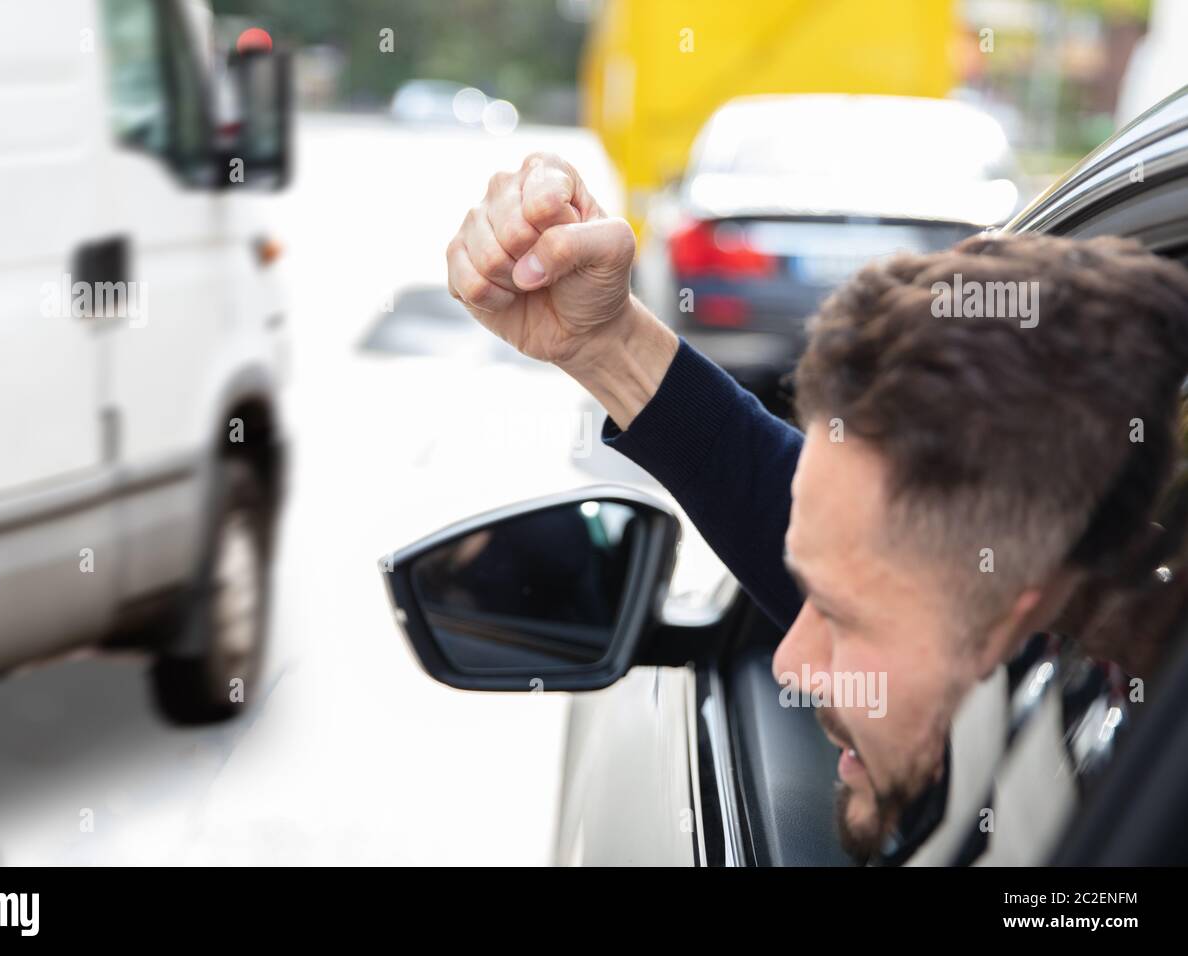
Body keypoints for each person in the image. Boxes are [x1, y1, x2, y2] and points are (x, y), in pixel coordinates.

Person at [446, 152, 1188, 864]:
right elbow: (810, 516)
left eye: (841, 616)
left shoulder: (1122, 759)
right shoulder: (1070, 654)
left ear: (1014, 615)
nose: (792, 665)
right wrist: (603, 344)